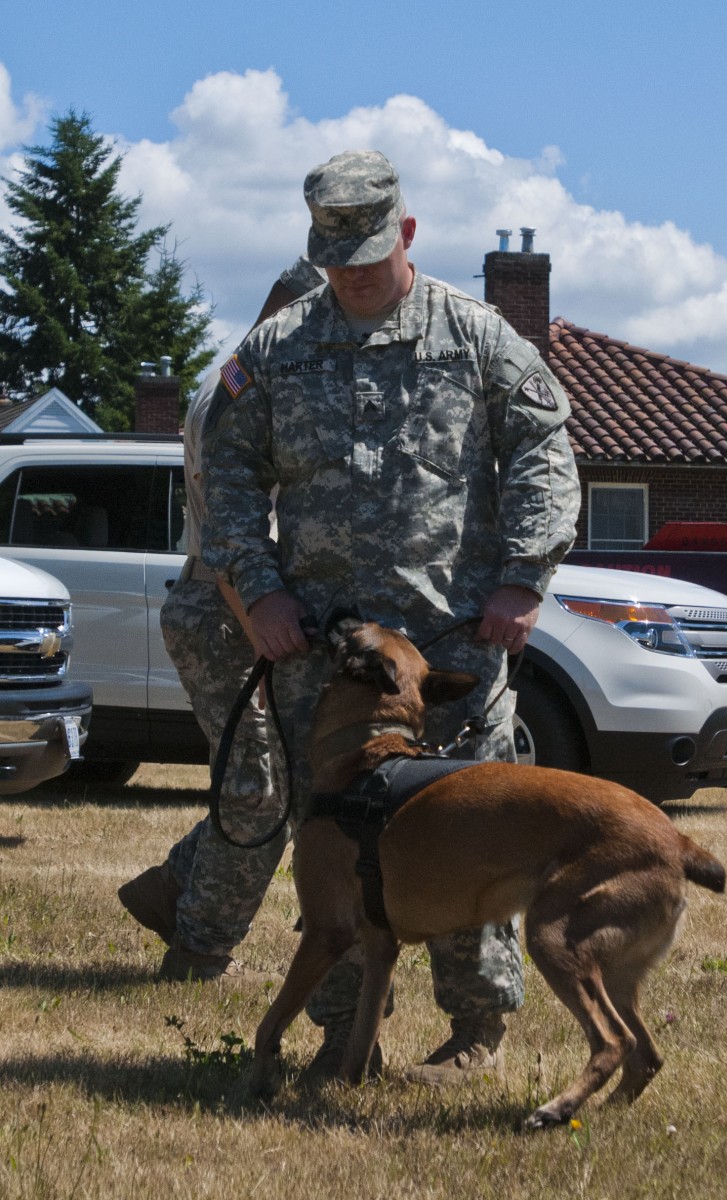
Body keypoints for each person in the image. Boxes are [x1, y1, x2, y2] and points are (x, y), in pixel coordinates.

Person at [201, 149, 581, 1082]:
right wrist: (259, 588)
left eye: (368, 254)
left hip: (449, 648)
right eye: (335, 260)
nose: (353, 275)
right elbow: (225, 480)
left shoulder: (476, 337)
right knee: (329, 845)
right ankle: (345, 1032)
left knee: (467, 837)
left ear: (406, 233)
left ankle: (475, 1030)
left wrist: (524, 578)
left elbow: (544, 448)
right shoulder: (276, 349)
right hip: (324, 660)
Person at [117, 255, 325, 982]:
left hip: (233, 607)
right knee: (255, 789)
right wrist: (261, 632)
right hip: (223, 608)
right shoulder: (241, 387)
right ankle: (198, 949)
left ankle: (172, 884)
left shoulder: (244, 377)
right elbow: (235, 536)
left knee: (272, 781)